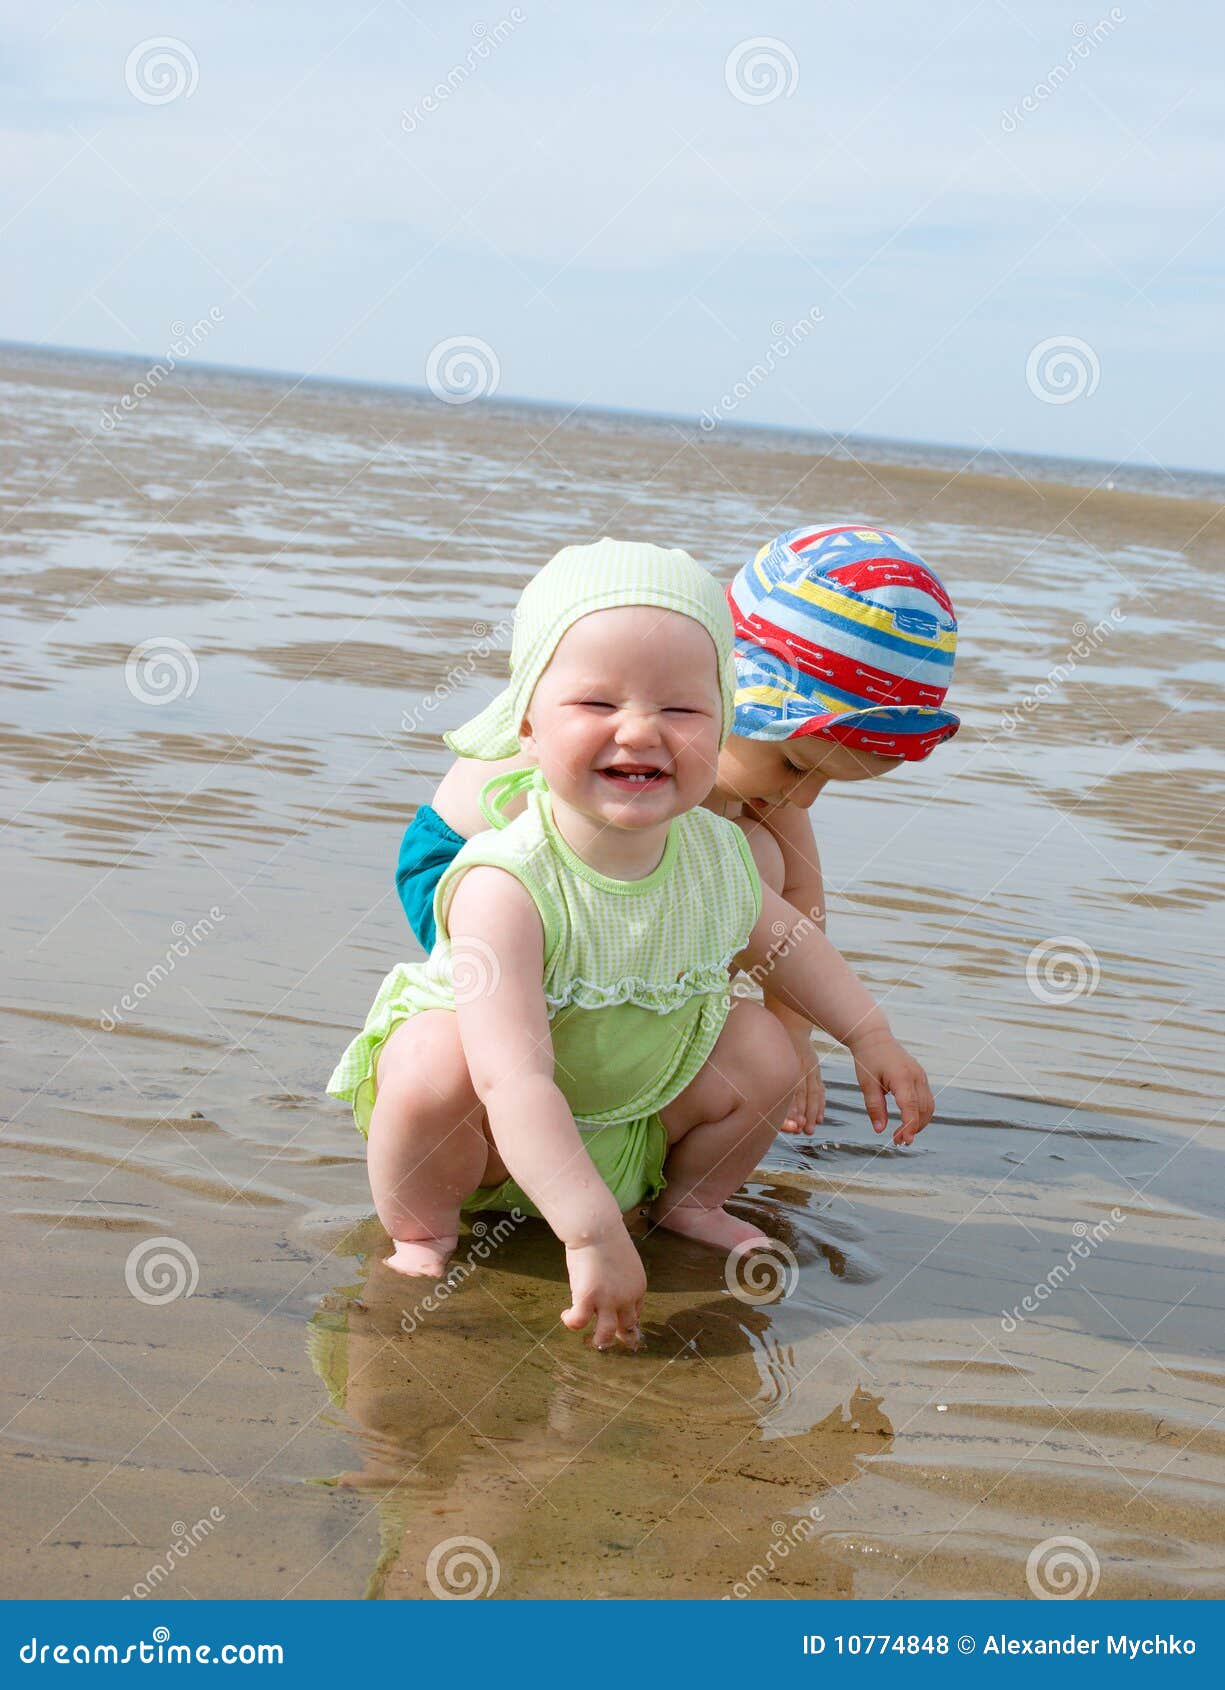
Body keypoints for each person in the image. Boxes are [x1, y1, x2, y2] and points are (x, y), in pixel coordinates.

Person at [328, 539, 934, 1351]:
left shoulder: (716, 844)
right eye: (597, 705)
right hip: (485, 1136)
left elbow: (790, 938)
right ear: (527, 727)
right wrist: (585, 1232)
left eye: (682, 711)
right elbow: (512, 1075)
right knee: (438, 1054)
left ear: (722, 717)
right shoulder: (505, 880)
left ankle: (690, 1200)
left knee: (758, 1044)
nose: (641, 730)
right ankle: (423, 1232)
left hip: (626, 1113)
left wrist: (866, 1033)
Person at [396, 524, 959, 1132]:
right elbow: (535, 870)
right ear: (730, 693)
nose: (805, 797)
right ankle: (578, 1046)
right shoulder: (639, 730)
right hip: (482, 870)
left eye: (831, 781)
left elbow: (802, 903)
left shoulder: (760, 772)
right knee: (742, 864)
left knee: (757, 862)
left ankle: (655, 1031)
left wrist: (797, 1037)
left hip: (618, 886)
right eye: (798, 766)